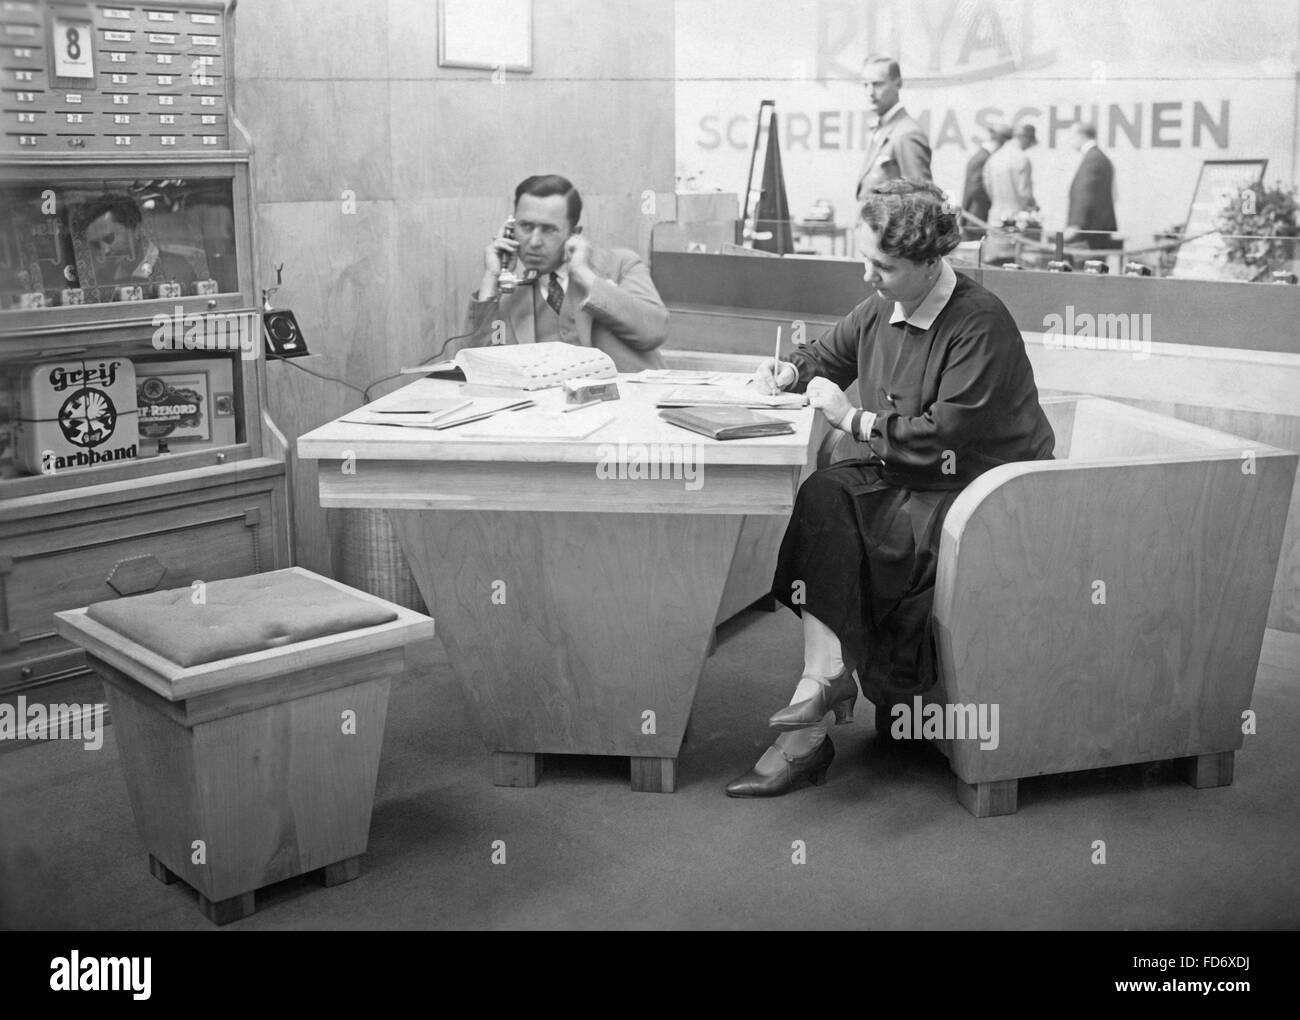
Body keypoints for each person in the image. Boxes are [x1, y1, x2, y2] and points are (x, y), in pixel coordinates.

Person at [726, 180, 1055, 798]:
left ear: (932, 262)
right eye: (866, 258)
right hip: (918, 472)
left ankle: (809, 728)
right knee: (825, 493)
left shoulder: (977, 321)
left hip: (983, 490)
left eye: (884, 265)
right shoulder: (884, 305)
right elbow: (829, 355)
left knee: (884, 535)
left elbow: (946, 435)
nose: (867, 275)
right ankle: (820, 681)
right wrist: (792, 370)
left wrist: (850, 419)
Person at [460, 174, 668, 371]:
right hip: (545, 407)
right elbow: (479, 365)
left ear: (574, 234)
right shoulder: (510, 291)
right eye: (525, 226)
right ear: (510, 229)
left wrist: (583, 274)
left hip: (624, 403)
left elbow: (654, 332)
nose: (534, 242)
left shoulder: (620, 265)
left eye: (549, 229)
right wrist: (491, 279)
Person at [76, 194, 197, 299]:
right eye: (96, 244)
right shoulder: (103, 277)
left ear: (136, 229)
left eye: (109, 238)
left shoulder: (174, 268)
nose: (104, 251)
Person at [855, 56, 932, 201]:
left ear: (898, 84)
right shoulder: (884, 129)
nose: (870, 92)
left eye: (877, 84)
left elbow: (922, 203)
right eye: (865, 85)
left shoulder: (907, 134)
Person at [1064, 123, 1118, 249]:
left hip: (1088, 231)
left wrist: (1076, 225)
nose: (1070, 141)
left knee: (1083, 266)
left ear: (1081, 135)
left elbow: (1085, 194)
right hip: (1094, 228)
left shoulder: (1092, 159)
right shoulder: (1099, 157)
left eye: (1071, 137)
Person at [982, 122, 1038, 227]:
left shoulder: (994, 157)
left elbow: (988, 185)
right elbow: (1024, 193)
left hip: (995, 218)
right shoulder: (1022, 159)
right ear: (1025, 139)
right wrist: (1033, 207)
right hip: (1016, 220)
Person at [961, 124, 1010, 240]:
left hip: (976, 216)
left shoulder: (982, 156)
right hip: (977, 217)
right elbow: (975, 188)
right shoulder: (984, 158)